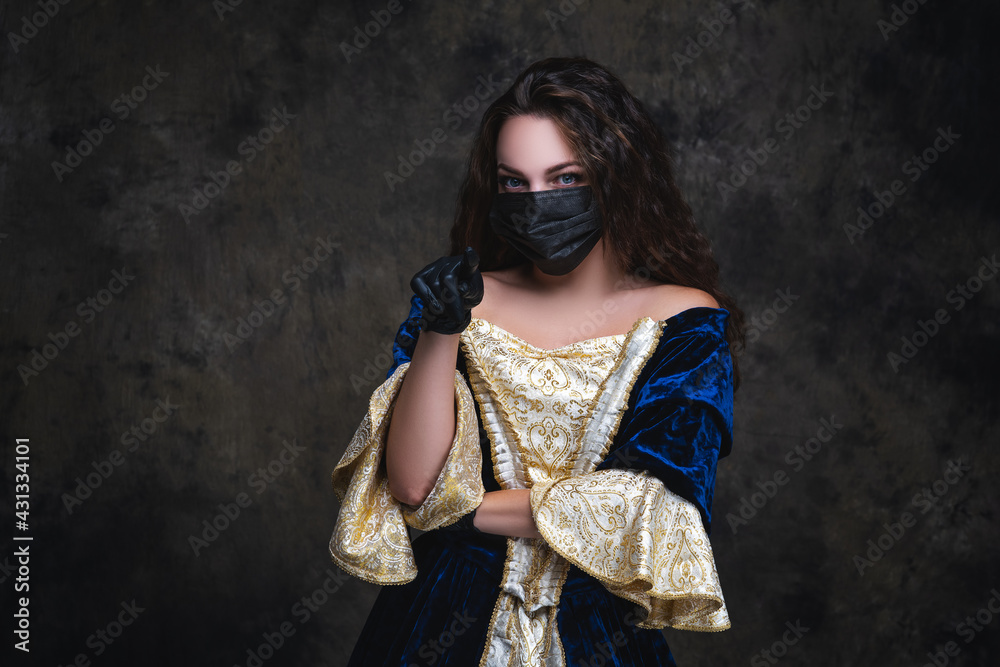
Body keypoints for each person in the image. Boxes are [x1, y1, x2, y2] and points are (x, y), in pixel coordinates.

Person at [329, 56, 745, 666]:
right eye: (515, 183)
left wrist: (465, 510)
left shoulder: (683, 320)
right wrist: (443, 330)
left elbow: (652, 509)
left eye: (566, 178)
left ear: (616, 177)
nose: (538, 200)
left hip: (596, 631)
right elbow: (415, 486)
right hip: (443, 620)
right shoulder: (463, 299)